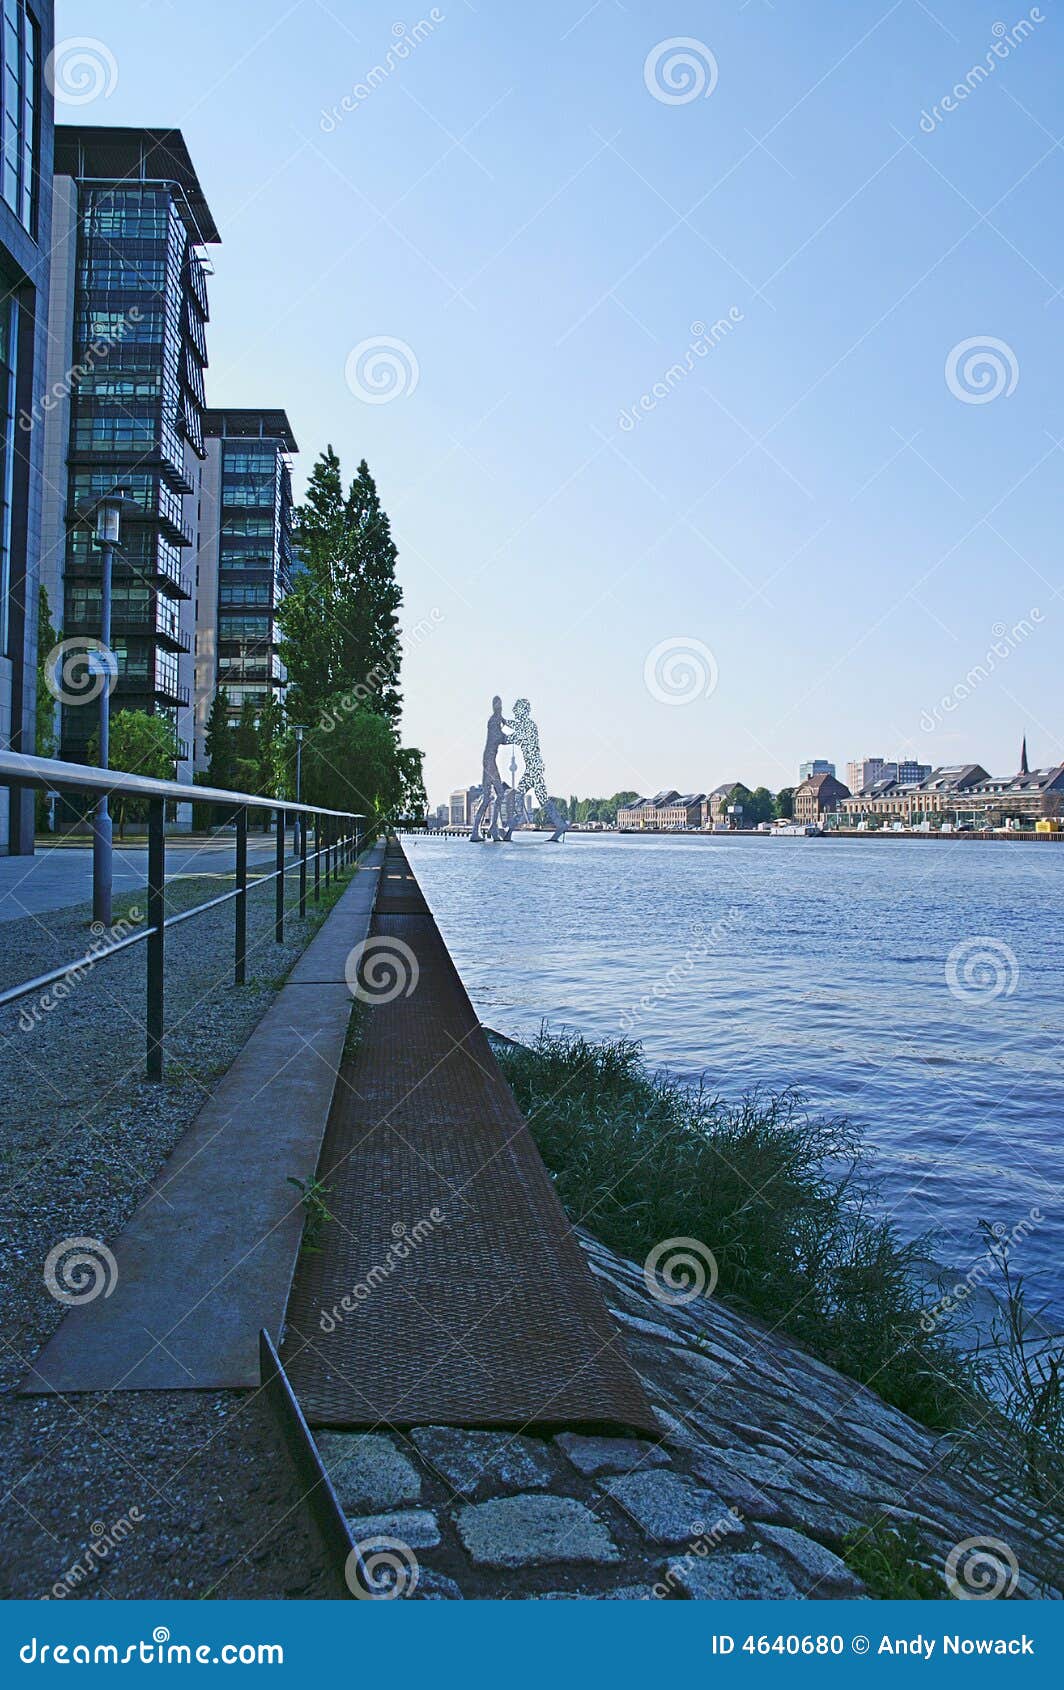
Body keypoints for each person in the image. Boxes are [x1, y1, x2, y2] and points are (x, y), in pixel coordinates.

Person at [509, 698, 567, 842]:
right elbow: (517, 727)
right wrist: (505, 722)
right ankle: (560, 825)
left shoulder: (529, 726)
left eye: (517, 711)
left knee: (519, 795)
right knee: (542, 799)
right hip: (535, 767)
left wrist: (501, 735)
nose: (515, 713)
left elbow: (516, 737)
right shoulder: (526, 725)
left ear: (523, 711)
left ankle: (510, 829)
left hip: (533, 768)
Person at [470, 696, 512, 842]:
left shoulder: (497, 719)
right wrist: (518, 737)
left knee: (487, 797)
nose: (500, 706)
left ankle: (475, 832)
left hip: (488, 760)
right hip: (489, 761)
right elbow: (499, 737)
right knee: (500, 793)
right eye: (498, 703)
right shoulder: (493, 721)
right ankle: (493, 827)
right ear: (494, 706)